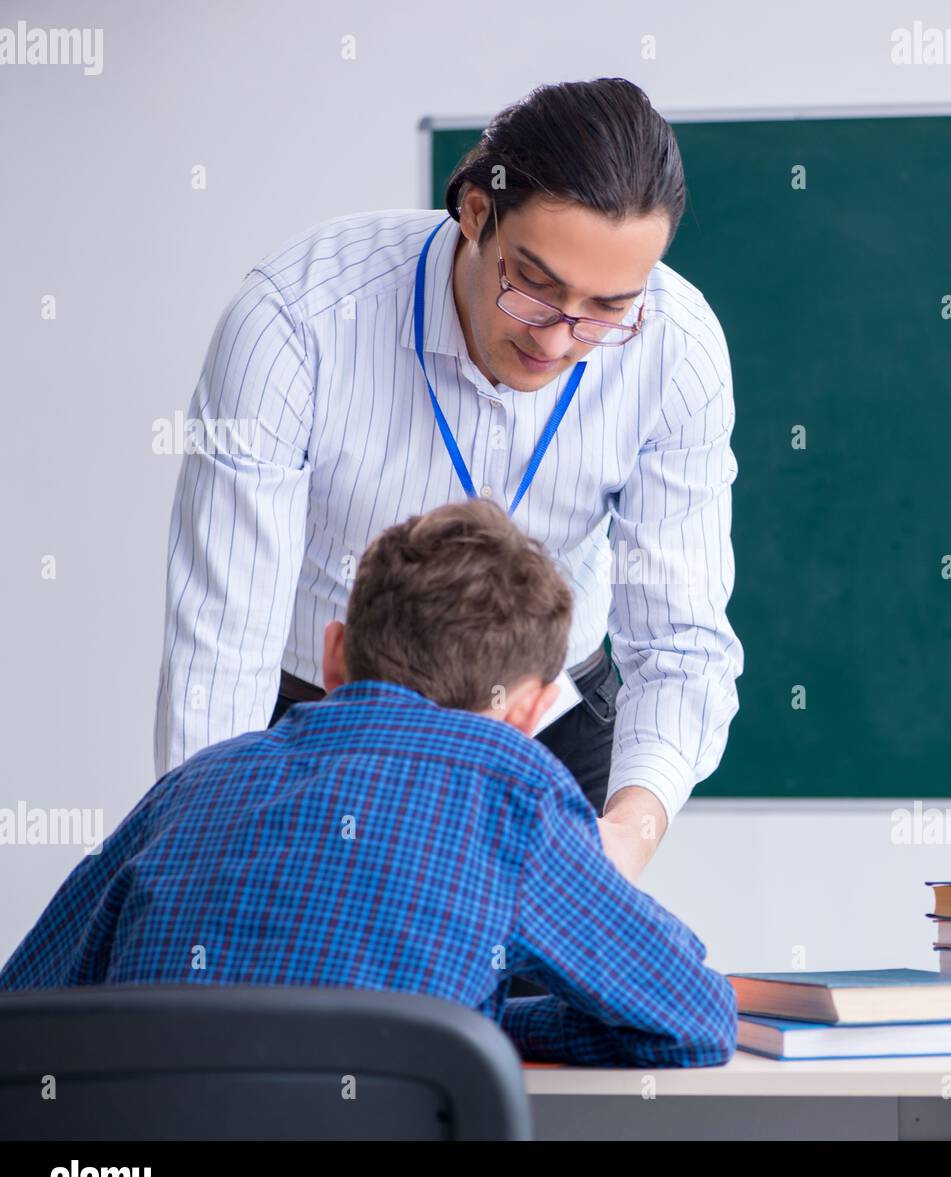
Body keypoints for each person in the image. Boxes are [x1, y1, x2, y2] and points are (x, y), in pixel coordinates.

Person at [154, 77, 743, 882]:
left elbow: (679, 642)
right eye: (534, 286)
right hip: (327, 719)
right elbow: (221, 645)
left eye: (607, 308)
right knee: (309, 989)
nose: (562, 339)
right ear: (475, 213)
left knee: (542, 1007)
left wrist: (628, 836)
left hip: (549, 723)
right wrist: (206, 864)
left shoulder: (676, 351)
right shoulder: (298, 322)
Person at [3, 501, 736, 1068]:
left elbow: (22, 1015)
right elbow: (691, 1016)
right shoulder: (515, 798)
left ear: (333, 654)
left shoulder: (193, 787)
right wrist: (468, 1028)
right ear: (534, 710)